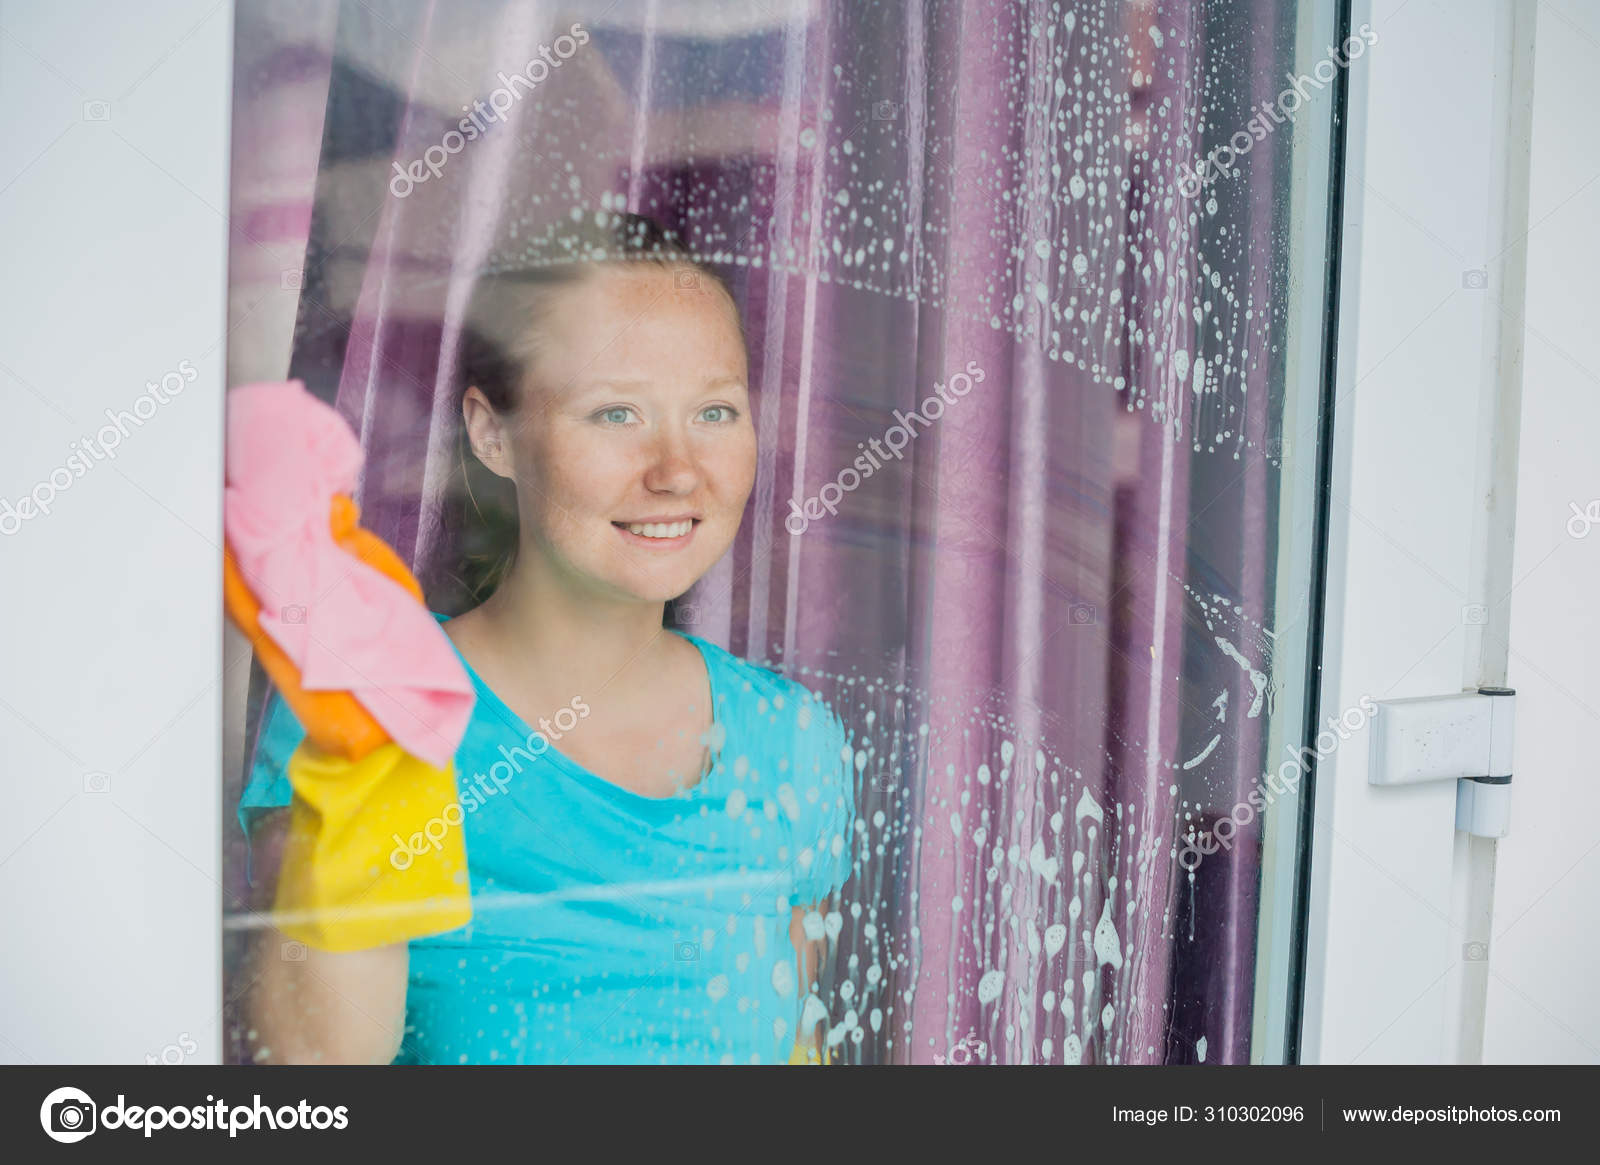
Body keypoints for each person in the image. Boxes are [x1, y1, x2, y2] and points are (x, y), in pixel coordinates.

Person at [239, 213, 857, 1065]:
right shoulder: (368, 701)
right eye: (615, 413)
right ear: (493, 433)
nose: (678, 470)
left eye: (716, 410)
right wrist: (372, 766)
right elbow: (311, 1079)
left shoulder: (794, 742)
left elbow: (796, 1045)